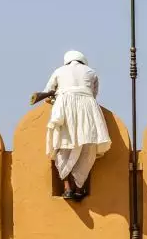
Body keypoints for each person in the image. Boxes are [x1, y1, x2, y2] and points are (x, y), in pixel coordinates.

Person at [34, 50, 111, 201]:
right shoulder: (91, 72)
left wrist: (57, 97)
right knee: (86, 147)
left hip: (64, 110)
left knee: (62, 147)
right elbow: (93, 94)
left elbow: (47, 94)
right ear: (83, 61)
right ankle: (79, 188)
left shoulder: (58, 71)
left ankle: (67, 188)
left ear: (67, 61)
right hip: (87, 110)